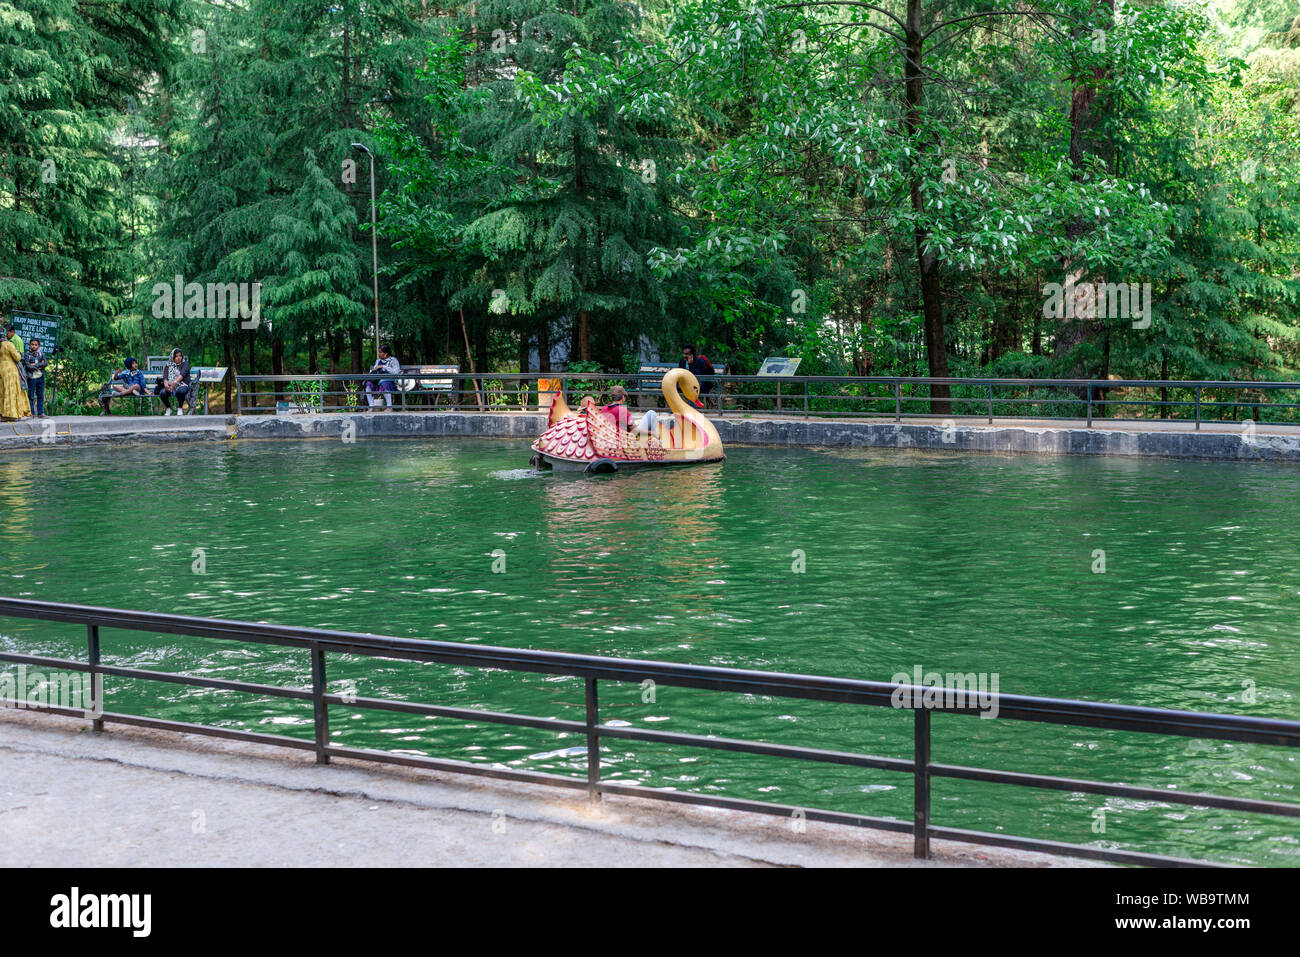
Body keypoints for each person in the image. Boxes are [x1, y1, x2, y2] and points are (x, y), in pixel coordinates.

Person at [0, 328, 30, 421]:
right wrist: (19, 353)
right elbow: (17, 358)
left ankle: (2, 414)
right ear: (5, 334)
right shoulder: (8, 344)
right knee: (11, 391)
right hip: (10, 370)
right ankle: (11, 415)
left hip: (1, 369)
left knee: (3, 391)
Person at [154, 349, 193, 416]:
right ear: (173, 357)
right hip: (170, 385)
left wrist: (174, 383)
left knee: (180, 391)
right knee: (162, 393)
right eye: (176, 356)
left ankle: (180, 408)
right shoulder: (168, 365)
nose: (179, 357)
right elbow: (165, 376)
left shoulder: (185, 364)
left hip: (183, 384)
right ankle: (169, 408)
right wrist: (166, 385)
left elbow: (182, 375)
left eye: (180, 356)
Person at [366, 344, 400, 409]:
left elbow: (396, 372)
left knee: (384, 384)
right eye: (379, 352)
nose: (379, 354)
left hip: (390, 382)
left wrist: (383, 367)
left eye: (380, 352)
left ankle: (389, 407)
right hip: (377, 380)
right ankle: (371, 406)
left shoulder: (393, 360)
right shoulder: (378, 361)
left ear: (386, 353)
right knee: (368, 384)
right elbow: (374, 370)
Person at [22, 337, 49, 418]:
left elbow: (45, 364)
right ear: (30, 345)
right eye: (32, 344)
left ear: (39, 346)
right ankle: (31, 413)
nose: (34, 346)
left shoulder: (41, 354)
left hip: (40, 377)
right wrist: (40, 364)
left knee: (40, 395)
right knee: (31, 396)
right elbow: (28, 366)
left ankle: (40, 413)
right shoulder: (27, 354)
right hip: (31, 378)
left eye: (35, 345)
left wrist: (35, 365)